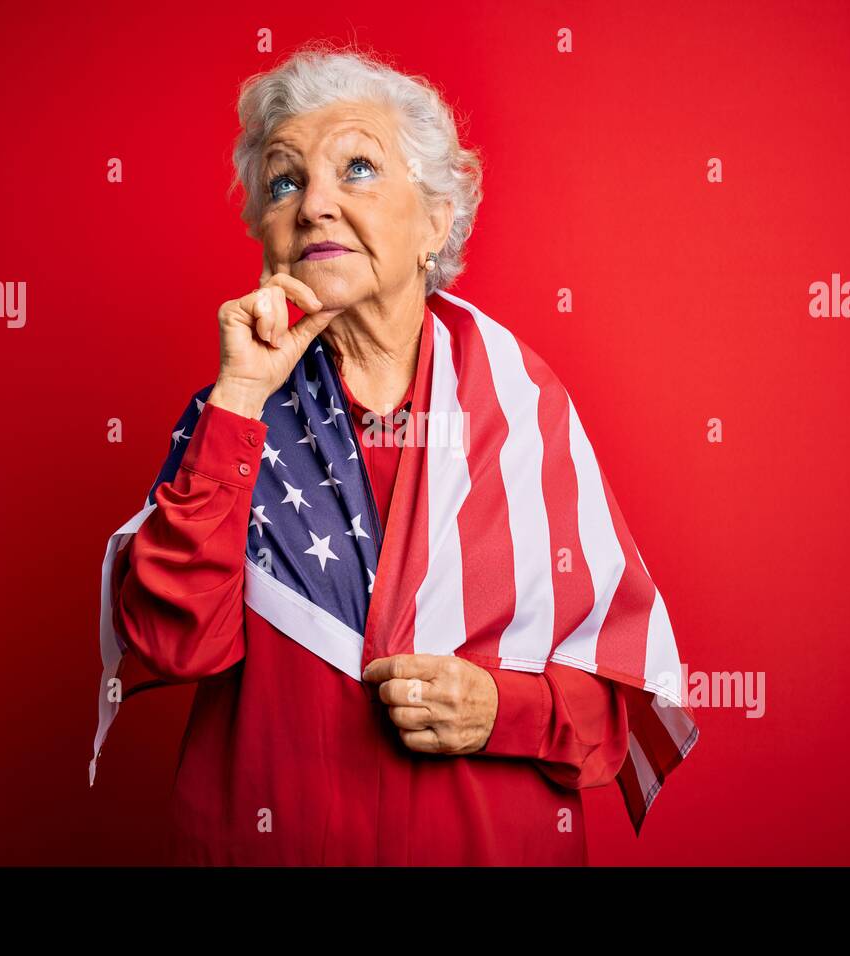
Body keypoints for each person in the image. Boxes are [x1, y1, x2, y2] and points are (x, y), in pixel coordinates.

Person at [90, 42, 698, 865]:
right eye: (285, 181)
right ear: (265, 230)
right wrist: (239, 397)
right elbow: (170, 643)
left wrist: (498, 707)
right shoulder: (228, 420)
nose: (314, 207)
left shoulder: (521, 411)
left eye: (358, 170)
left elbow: (608, 713)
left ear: (437, 220)